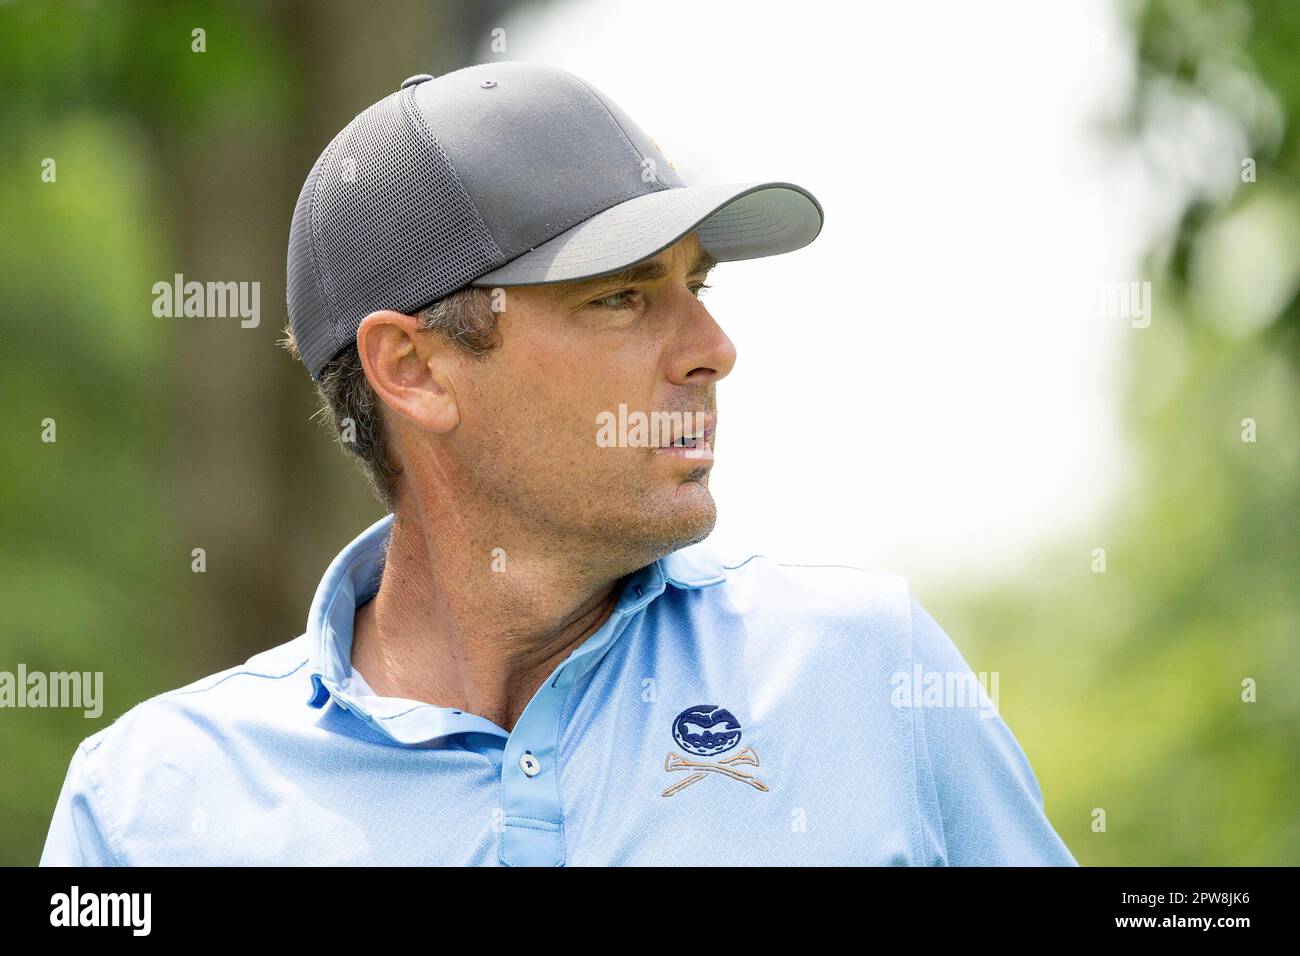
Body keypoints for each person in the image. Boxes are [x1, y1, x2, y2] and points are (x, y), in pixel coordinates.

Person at [40, 61, 1077, 866]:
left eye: (697, 282)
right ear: (413, 368)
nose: (712, 348)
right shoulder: (148, 804)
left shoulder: (863, 670)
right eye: (621, 295)